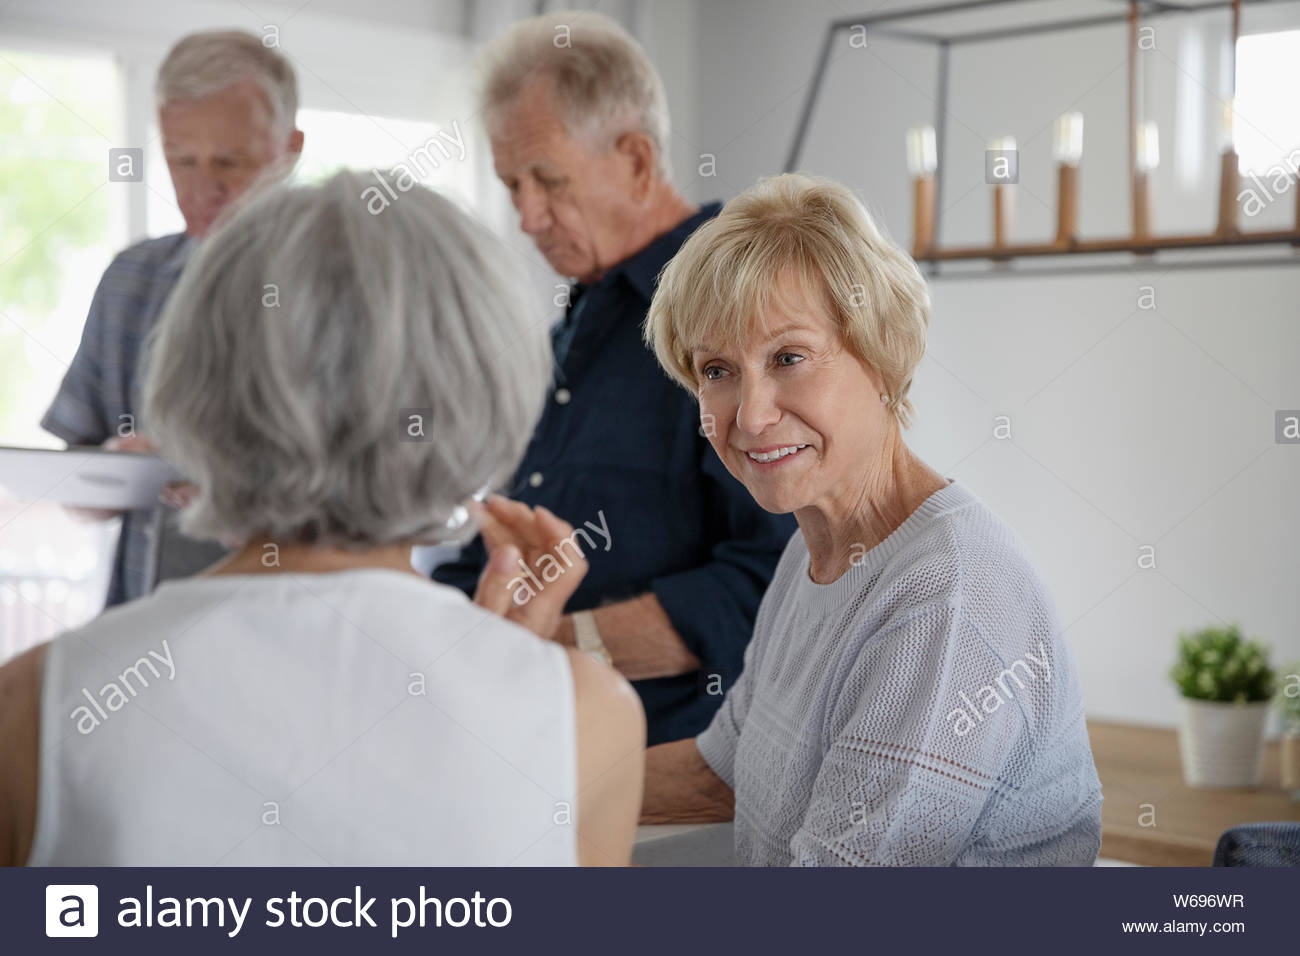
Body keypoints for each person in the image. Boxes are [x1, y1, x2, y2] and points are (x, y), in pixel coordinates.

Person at [0, 170, 645, 866]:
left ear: (193, 381)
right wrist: (496, 671)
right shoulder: (589, 717)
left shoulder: (37, 702)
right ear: (487, 387)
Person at [639, 173, 1103, 866]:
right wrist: (513, 779)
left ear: (882, 357)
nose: (752, 414)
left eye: (789, 358)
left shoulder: (947, 596)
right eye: (717, 371)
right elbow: (722, 773)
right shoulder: (810, 552)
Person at [433, 11, 796, 746]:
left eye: (548, 180)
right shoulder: (576, 321)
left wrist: (530, 643)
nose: (527, 216)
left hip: (674, 776)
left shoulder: (731, 300)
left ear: (635, 160)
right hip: (532, 744)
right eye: (510, 184)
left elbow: (774, 583)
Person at [41, 30, 305, 607]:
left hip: (296, 631)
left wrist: (235, 493)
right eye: (181, 160)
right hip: (140, 636)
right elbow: (74, 481)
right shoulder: (131, 280)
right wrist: (117, 471)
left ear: (291, 150)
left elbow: (395, 497)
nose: (202, 187)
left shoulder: (356, 292)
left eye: (230, 162)